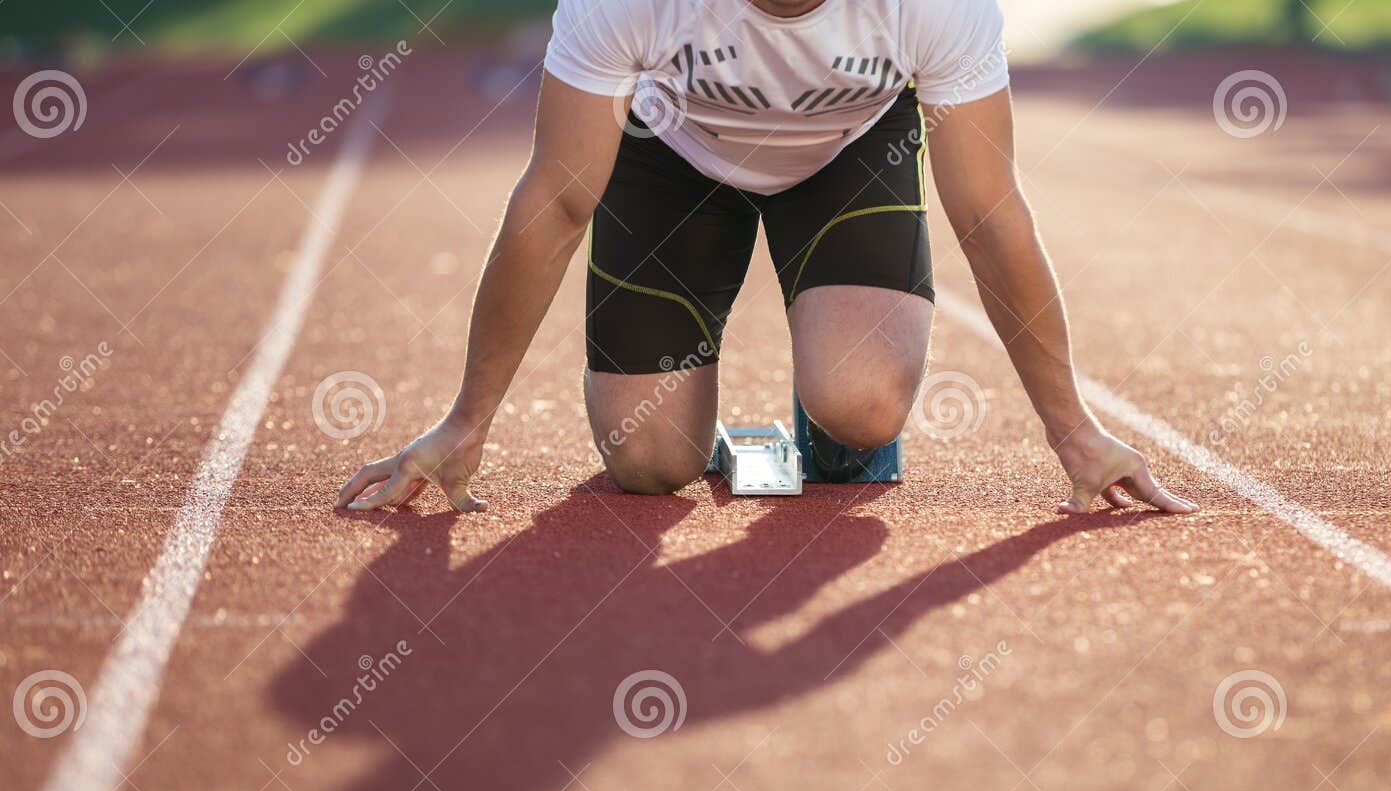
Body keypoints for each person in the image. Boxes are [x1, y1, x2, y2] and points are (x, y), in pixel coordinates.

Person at [336, 0, 1199, 516]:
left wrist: (1074, 432)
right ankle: (705, 428)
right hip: (670, 154)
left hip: (850, 154)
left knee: (856, 408)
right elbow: (558, 200)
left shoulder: (936, 7)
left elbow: (990, 213)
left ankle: (830, 400)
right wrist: (467, 421)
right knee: (649, 464)